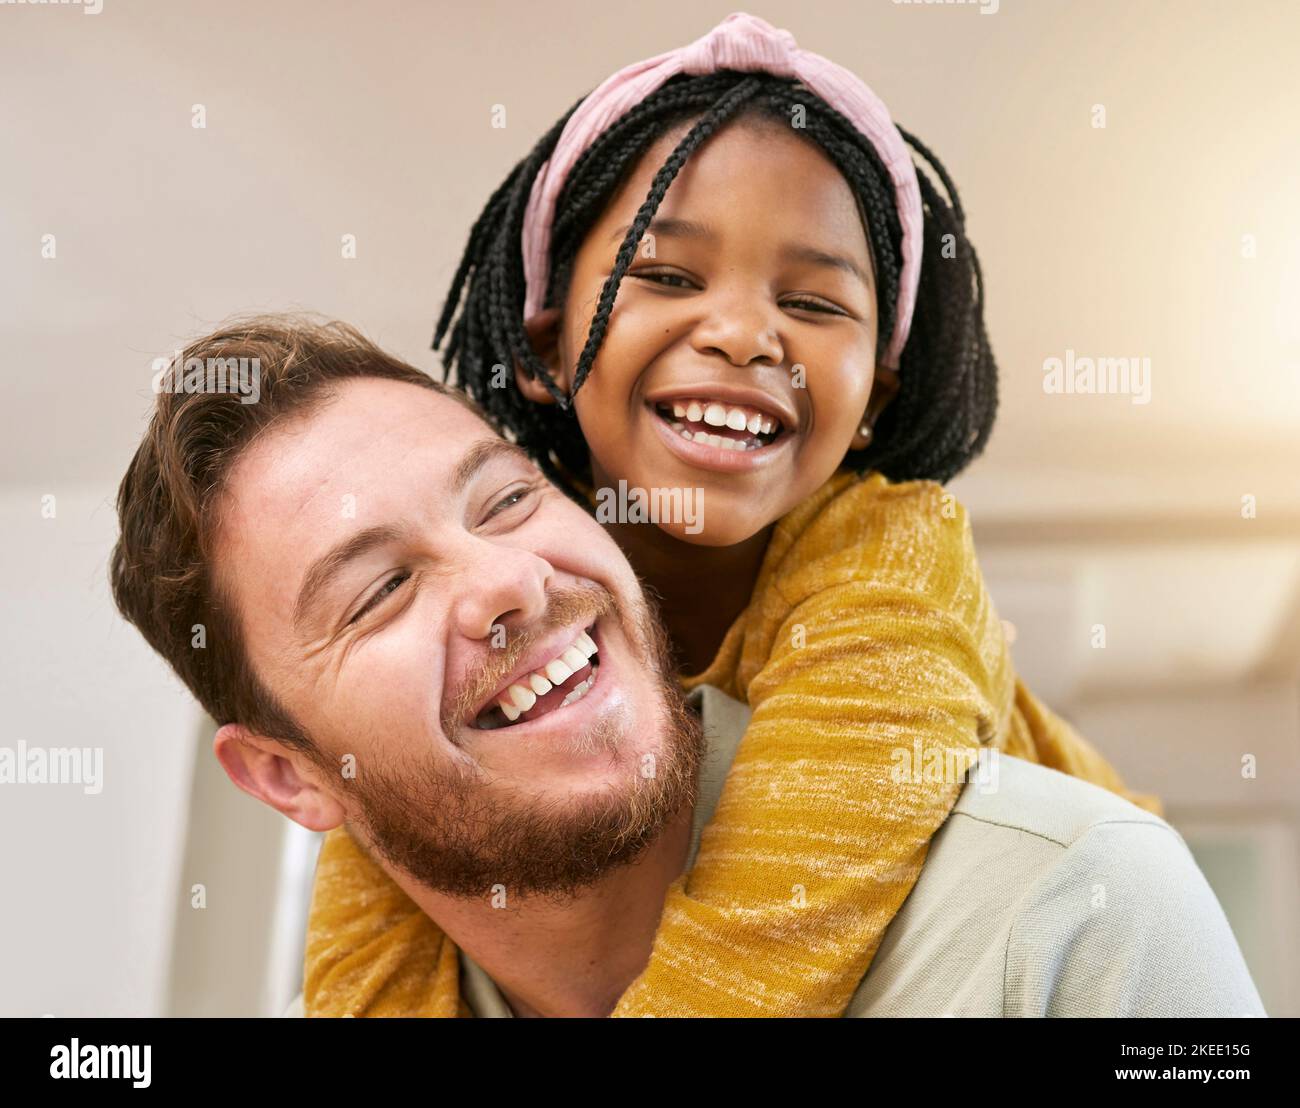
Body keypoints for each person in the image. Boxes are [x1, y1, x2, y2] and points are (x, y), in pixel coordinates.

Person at [308, 12, 1164, 1015]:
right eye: (667, 276)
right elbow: (380, 896)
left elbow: (764, 936)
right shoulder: (501, 584)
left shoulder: (898, 555)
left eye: (815, 303)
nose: (746, 333)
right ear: (543, 351)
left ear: (873, 402)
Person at [110, 317, 1263, 1018]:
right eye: (378, 591)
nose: (508, 578)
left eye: (508, 497)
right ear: (286, 777)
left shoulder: (1077, 907)